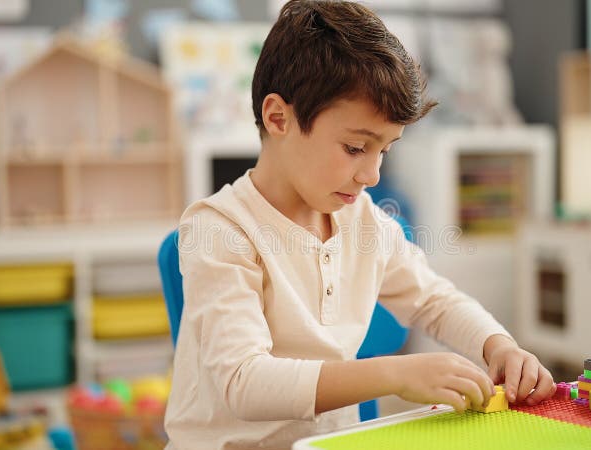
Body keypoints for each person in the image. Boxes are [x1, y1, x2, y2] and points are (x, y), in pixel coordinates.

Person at [164, 1, 556, 448]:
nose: (372, 175)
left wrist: (497, 345)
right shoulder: (220, 229)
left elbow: (434, 301)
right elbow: (244, 383)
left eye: (384, 150)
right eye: (355, 148)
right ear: (278, 118)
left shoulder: (363, 220)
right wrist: (394, 373)